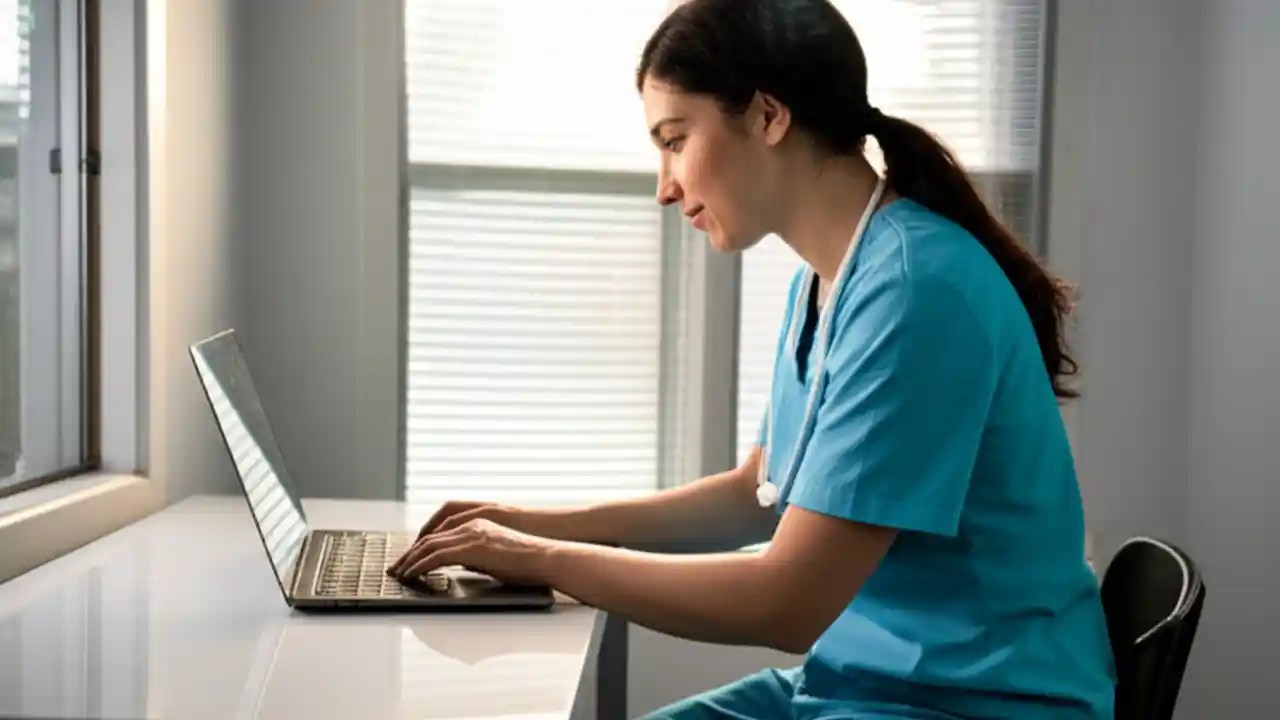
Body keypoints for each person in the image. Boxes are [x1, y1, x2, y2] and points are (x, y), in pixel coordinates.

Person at [389, 0, 1116, 717]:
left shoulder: (914, 291)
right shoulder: (830, 280)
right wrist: (534, 523)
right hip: (855, 689)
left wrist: (541, 562)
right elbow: (758, 495)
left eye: (675, 139)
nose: (664, 188)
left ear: (769, 116)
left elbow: (788, 602)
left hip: (973, 705)